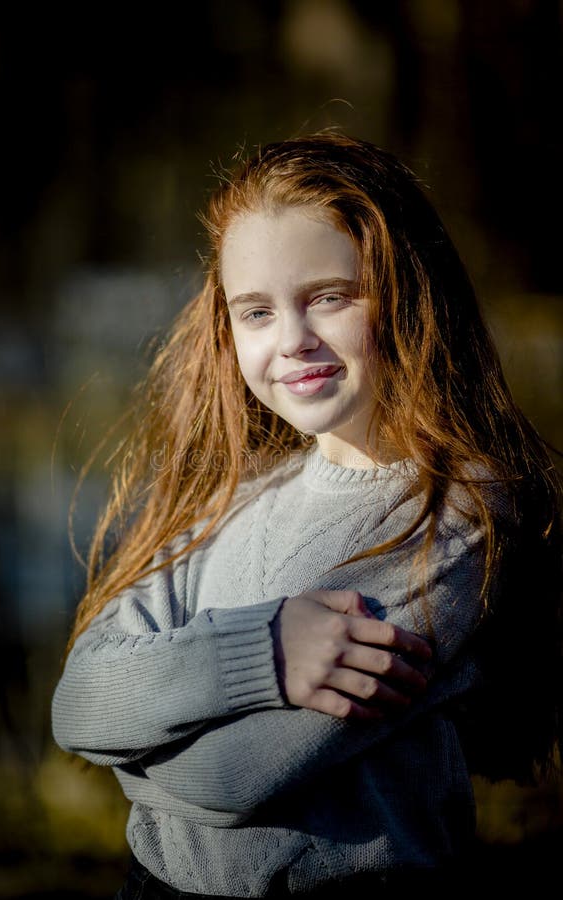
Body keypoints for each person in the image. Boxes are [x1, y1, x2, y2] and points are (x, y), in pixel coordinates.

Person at [51, 132, 562, 899]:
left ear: (408, 292)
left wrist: (137, 740)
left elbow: (229, 780)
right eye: (256, 311)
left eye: (329, 297)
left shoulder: (452, 520)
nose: (292, 340)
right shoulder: (237, 496)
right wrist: (265, 650)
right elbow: (78, 703)